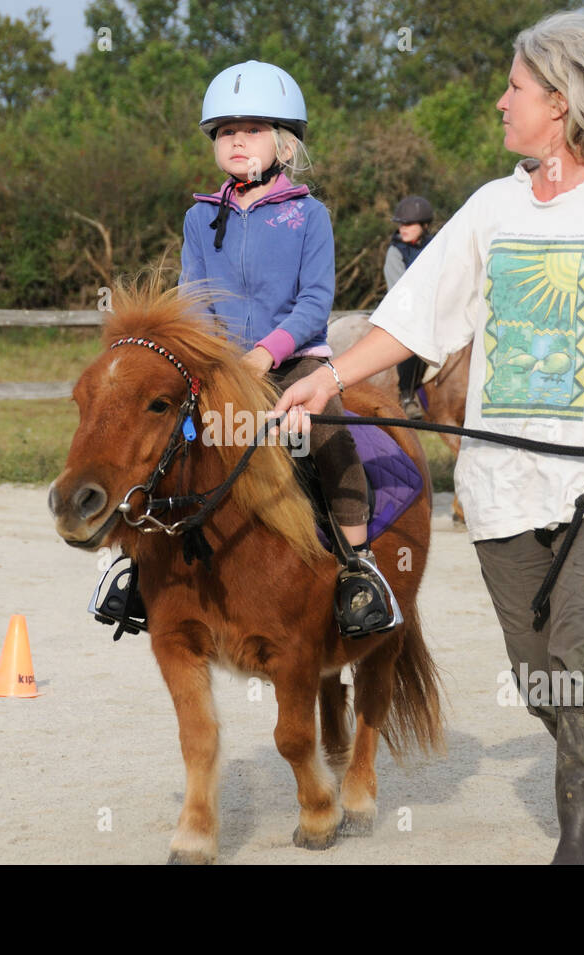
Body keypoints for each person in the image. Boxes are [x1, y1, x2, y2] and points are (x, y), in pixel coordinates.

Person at [272, 10, 584, 863]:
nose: (500, 102)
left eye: (515, 87)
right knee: (541, 675)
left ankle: (581, 835)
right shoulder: (491, 209)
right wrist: (328, 376)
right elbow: (416, 319)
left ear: (562, 102)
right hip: (499, 481)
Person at [177, 60, 399, 637]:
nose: (236, 141)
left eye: (250, 130)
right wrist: (210, 358)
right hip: (219, 361)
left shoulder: (309, 215)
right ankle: (140, 566)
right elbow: (191, 295)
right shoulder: (201, 217)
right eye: (226, 131)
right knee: (159, 434)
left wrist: (266, 354)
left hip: (294, 358)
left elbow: (314, 300)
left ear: (282, 142)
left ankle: (359, 568)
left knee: (328, 434)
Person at [384, 195, 435, 418]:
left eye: (408, 224)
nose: (403, 228)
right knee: (411, 342)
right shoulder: (395, 252)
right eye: (401, 224)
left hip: (435, 306)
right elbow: (399, 291)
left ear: (424, 226)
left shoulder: (435, 246)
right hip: (404, 309)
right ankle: (407, 395)